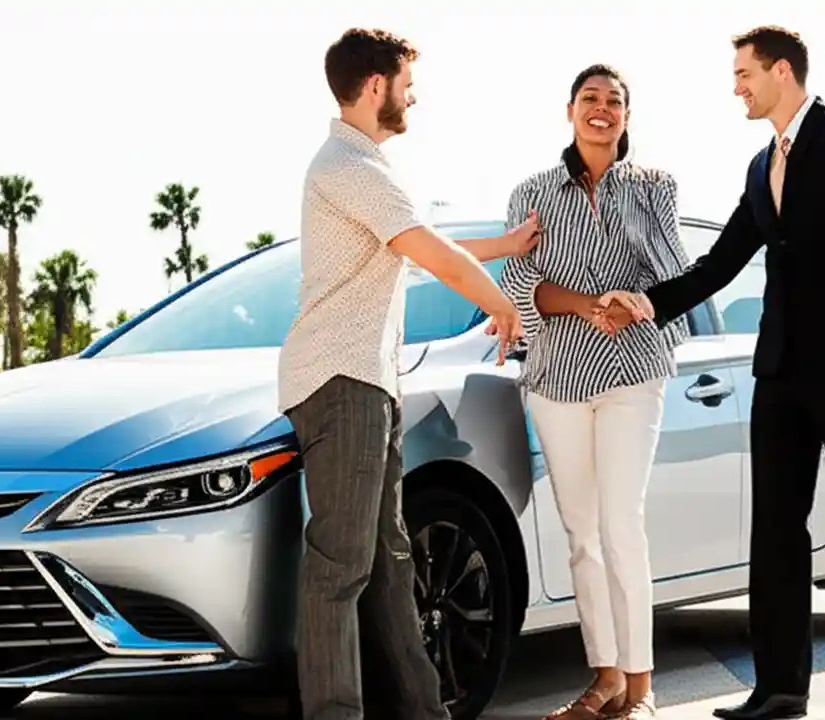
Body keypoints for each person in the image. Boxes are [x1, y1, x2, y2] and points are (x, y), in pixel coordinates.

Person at [603, 26, 825, 720]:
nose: (736, 86)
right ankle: (780, 687)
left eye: (744, 73)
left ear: (782, 72)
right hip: (780, 370)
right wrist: (648, 303)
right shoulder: (760, 165)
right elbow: (722, 261)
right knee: (776, 528)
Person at [276, 27, 539, 720]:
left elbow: (421, 245)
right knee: (340, 567)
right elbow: (434, 254)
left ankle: (424, 710)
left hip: (369, 384)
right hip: (343, 383)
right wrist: (500, 302)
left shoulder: (362, 170)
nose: (412, 99)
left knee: (392, 560)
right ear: (373, 88)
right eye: (405, 86)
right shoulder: (348, 167)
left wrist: (506, 247)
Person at [496, 64, 691, 720]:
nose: (602, 110)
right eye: (591, 99)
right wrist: (585, 304)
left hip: (633, 370)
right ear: (570, 110)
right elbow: (520, 282)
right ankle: (604, 677)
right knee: (581, 532)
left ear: (627, 118)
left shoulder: (655, 188)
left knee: (620, 524)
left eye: (614, 102)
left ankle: (642, 687)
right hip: (558, 377)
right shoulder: (534, 191)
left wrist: (631, 300)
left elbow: (674, 275)